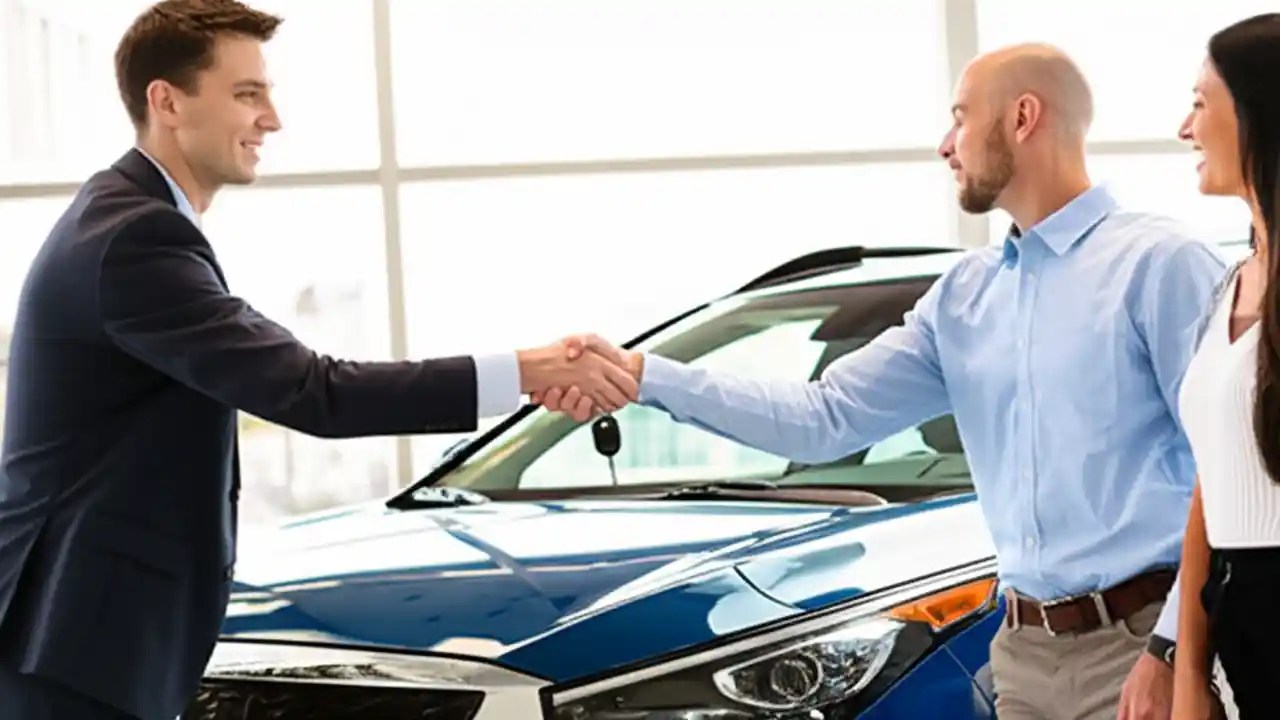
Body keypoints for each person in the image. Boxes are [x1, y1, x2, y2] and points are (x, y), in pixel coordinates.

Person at [542, 43, 1229, 720]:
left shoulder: (1160, 265)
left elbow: (1228, 473)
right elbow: (822, 418)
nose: (945, 144)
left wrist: (1174, 651)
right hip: (1023, 653)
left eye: (961, 116)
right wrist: (643, 375)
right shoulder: (964, 296)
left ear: (1023, 118)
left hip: (1143, 644)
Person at [0, 1, 635, 718]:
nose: (272, 118)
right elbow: (314, 392)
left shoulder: (126, 219)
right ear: (166, 101)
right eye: (248, 93)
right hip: (76, 642)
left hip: (81, 634)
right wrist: (529, 369)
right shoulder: (137, 240)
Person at [1170, 13, 1280, 720]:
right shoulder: (1231, 282)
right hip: (1237, 620)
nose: (1184, 128)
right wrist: (1186, 672)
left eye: (1200, 102)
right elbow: (1210, 485)